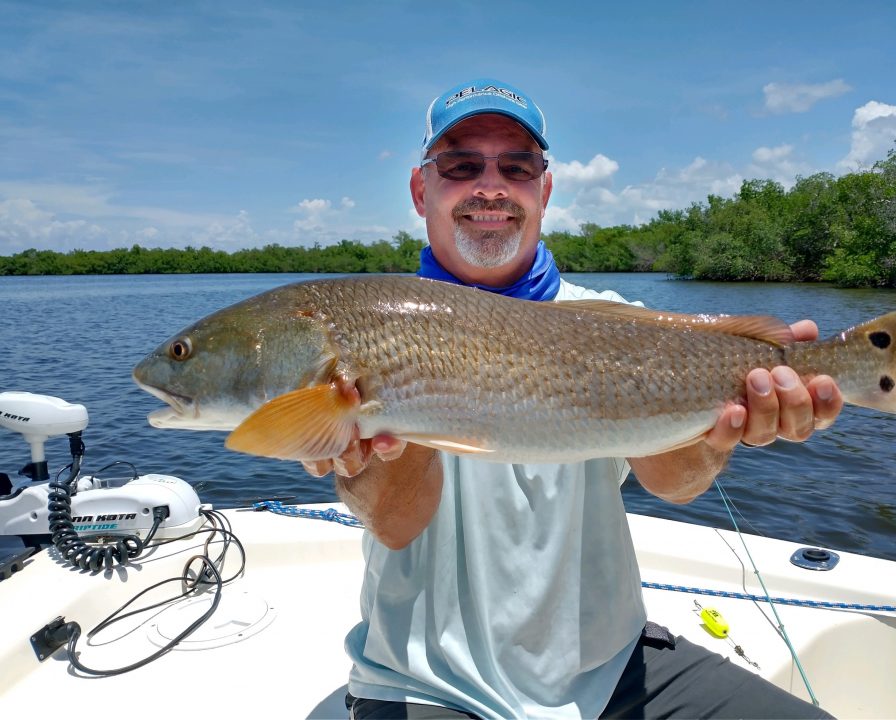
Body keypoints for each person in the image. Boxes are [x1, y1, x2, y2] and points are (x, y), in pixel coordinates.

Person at [303, 79, 842, 719]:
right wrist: (370, 434)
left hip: (616, 671)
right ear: (422, 190)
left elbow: (674, 483)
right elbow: (394, 523)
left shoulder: (620, 321)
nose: (490, 186)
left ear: (544, 190)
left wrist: (722, 430)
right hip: (428, 683)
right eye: (461, 165)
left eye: (517, 166)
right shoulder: (366, 329)